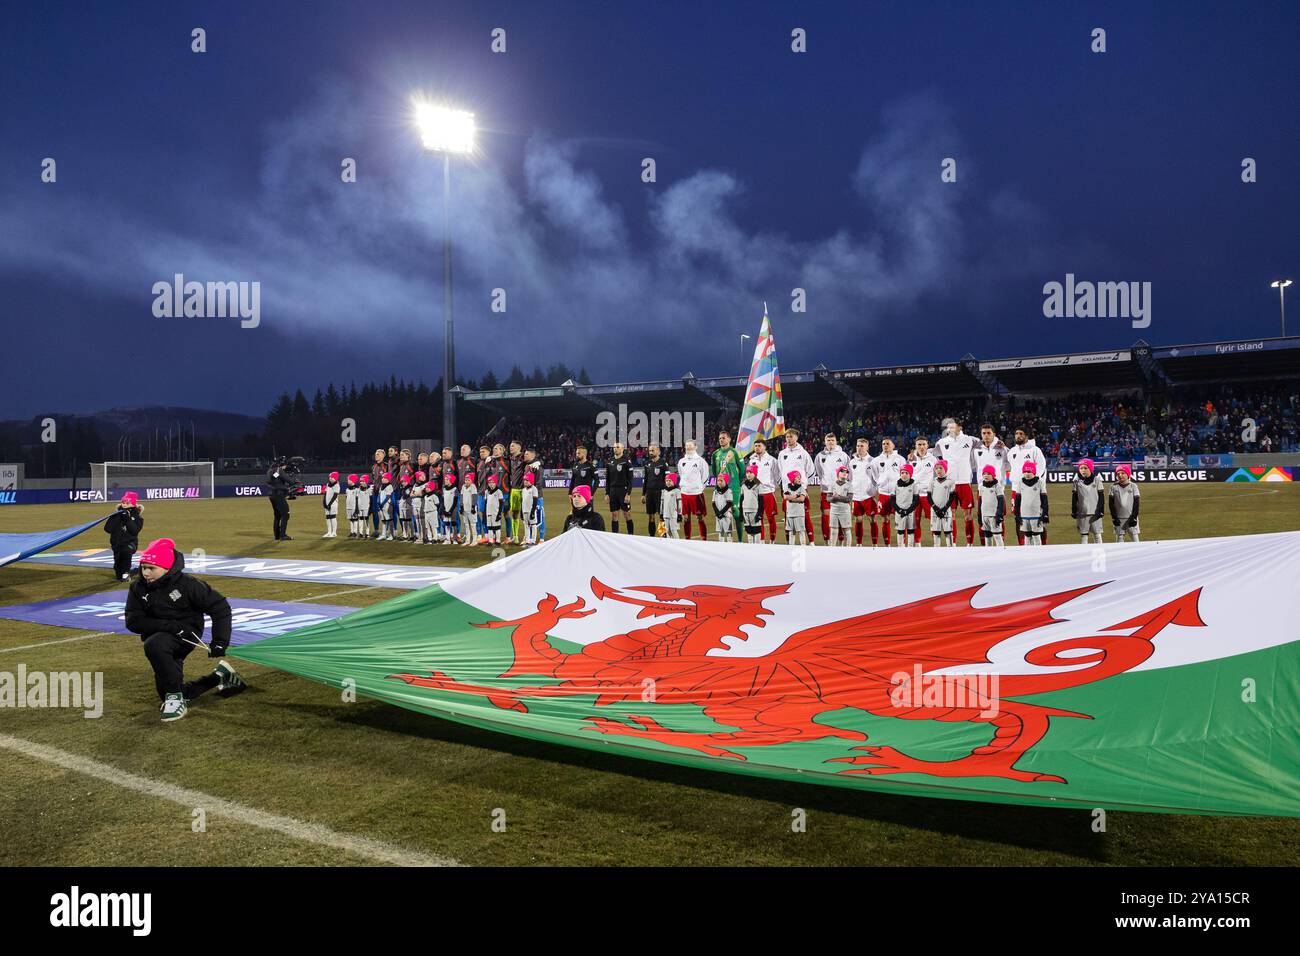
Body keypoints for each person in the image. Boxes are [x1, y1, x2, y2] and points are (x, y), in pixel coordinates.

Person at [124, 538, 245, 722]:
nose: (146, 573)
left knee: (155, 646)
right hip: (163, 632)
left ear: (166, 567)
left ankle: (175, 697)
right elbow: (133, 621)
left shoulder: (188, 585)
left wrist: (220, 641)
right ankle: (220, 677)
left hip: (187, 634)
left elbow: (220, 607)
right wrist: (169, 626)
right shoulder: (137, 587)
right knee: (167, 691)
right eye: (143, 567)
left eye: (151, 568)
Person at [935, 418, 977, 546]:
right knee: (950, 514)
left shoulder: (970, 440)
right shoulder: (942, 442)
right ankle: (952, 543)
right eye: (948, 428)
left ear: (960, 428)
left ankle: (969, 543)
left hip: (964, 481)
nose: (950, 430)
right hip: (950, 483)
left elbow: (987, 444)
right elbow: (932, 453)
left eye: (952, 427)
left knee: (968, 515)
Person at [1007, 427, 1049, 545]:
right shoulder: (1012, 452)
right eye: (1016, 433)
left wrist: (1034, 484)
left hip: (1033, 490)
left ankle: (1043, 545)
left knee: (1039, 519)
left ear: (1026, 436)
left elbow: (1041, 468)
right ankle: (1022, 545)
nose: (1018, 436)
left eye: (1021, 433)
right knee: (1018, 517)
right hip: (1016, 489)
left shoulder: (1035, 450)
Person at [778, 430, 816, 543]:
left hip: (800, 489)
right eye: (787, 437)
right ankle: (789, 542)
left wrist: (803, 485)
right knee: (788, 515)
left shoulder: (803, 453)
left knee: (805, 515)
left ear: (796, 437)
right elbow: (781, 471)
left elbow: (811, 471)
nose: (788, 438)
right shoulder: (782, 454)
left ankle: (812, 542)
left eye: (791, 436)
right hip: (787, 489)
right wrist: (785, 485)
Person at [814, 432, 850, 544]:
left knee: (839, 515)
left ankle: (841, 540)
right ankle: (827, 540)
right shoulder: (820, 455)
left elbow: (848, 472)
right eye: (828, 440)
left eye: (832, 440)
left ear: (836, 442)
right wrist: (826, 483)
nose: (830, 442)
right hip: (826, 490)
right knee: (825, 514)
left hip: (840, 491)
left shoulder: (843, 455)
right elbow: (819, 472)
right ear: (825, 442)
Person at [872, 437, 906, 547]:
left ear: (893, 446)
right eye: (883, 444)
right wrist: (881, 484)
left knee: (900, 519)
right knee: (885, 518)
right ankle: (887, 545)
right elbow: (875, 477)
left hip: (897, 494)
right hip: (883, 494)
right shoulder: (876, 460)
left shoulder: (900, 459)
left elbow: (904, 475)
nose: (885, 445)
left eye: (887, 443)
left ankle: (902, 544)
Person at [104, 492, 144, 580]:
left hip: (130, 543)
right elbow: (107, 529)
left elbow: (134, 531)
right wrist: (117, 517)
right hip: (116, 544)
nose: (125, 504)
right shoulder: (116, 515)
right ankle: (134, 571)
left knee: (125, 551)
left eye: (127, 502)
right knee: (118, 572)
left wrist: (127, 519)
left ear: (133, 503)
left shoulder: (138, 518)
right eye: (123, 502)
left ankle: (126, 573)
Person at [747, 438, 780, 542]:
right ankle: (761, 541)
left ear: (765, 447)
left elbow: (777, 476)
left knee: (771, 518)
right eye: (755, 446)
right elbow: (750, 476)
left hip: (768, 493)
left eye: (759, 445)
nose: (757, 448)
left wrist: (770, 486)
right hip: (756, 493)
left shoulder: (772, 460)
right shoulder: (752, 460)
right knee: (758, 518)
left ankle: (772, 540)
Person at [677, 439, 711, 540]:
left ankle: (703, 539)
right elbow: (681, 474)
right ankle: (687, 539)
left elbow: (705, 477)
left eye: (691, 446)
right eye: (687, 446)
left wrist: (699, 489)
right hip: (684, 493)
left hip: (696, 494)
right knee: (686, 518)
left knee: (699, 517)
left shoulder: (701, 461)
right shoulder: (681, 461)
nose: (688, 448)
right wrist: (684, 486)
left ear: (695, 447)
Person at [848, 438, 878, 546]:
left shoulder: (873, 461)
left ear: (867, 447)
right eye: (858, 446)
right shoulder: (851, 462)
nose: (859, 448)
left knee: (872, 520)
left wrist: (874, 492)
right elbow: (850, 479)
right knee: (858, 520)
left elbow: (877, 478)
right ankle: (859, 544)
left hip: (868, 496)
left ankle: (875, 544)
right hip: (856, 496)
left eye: (862, 446)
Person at [909, 437, 938, 546]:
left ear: (927, 446)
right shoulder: (911, 459)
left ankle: (936, 543)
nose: (921, 447)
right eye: (919, 445)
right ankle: (917, 544)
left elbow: (937, 475)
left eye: (923, 444)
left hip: (928, 495)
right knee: (915, 521)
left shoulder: (933, 459)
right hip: (915, 495)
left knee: (933, 520)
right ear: (915, 446)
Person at [711, 431, 745, 526]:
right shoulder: (715, 454)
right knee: (721, 512)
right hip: (720, 488)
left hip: (733, 487)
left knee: (735, 511)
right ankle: (725, 539)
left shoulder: (735, 452)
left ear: (729, 439)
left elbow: (742, 471)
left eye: (723, 438)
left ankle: (740, 540)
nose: (721, 440)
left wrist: (736, 482)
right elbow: (714, 472)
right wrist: (721, 482)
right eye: (720, 438)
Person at [1013, 461, 1049, 546]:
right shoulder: (1020, 482)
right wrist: (1017, 514)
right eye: (1025, 472)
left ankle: (1038, 554)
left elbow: (1044, 500)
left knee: (1036, 536)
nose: (1027, 474)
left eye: (1029, 472)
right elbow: (1017, 500)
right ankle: (1027, 555)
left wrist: (1045, 514)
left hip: (1036, 514)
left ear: (1034, 472)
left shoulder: (1040, 482)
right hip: (1024, 515)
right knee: (1027, 535)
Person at [1071, 458, 1106, 544]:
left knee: (1097, 535)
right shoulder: (1076, 482)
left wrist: (1100, 510)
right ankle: (1084, 554)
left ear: (1090, 468)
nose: (1083, 470)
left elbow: (1101, 497)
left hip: (1095, 513)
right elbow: (1074, 497)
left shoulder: (1097, 480)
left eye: (1085, 468)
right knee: (1083, 536)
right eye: (1081, 468)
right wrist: (1074, 510)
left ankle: (1099, 554)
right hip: (1082, 513)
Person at [605, 442, 635, 534]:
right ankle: (615, 536)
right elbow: (608, 479)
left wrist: (628, 494)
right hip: (613, 491)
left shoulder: (627, 461)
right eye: (614, 447)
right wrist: (607, 493)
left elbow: (630, 479)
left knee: (627, 514)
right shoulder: (609, 461)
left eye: (617, 447)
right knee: (614, 515)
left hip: (623, 491)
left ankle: (631, 536)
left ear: (622, 449)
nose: (615, 449)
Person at [1109, 464, 1141, 542]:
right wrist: (1114, 517)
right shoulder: (1113, 487)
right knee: (1119, 539)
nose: (1120, 475)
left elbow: (1136, 503)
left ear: (1128, 474)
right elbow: (1111, 504)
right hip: (1119, 518)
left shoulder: (1133, 486)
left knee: (1135, 538)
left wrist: (1134, 517)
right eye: (1118, 474)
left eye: (1123, 473)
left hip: (1131, 517)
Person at [642, 443, 669, 537]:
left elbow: (667, 479)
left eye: (653, 450)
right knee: (650, 516)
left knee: (661, 515)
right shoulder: (647, 464)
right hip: (649, 493)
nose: (651, 452)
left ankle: (662, 535)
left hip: (660, 493)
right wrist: (643, 494)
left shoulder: (663, 463)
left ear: (658, 451)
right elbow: (646, 479)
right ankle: (652, 536)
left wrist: (666, 493)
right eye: (649, 450)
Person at [977, 464, 1006, 548]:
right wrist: (979, 516)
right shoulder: (981, 487)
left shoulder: (997, 486)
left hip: (994, 516)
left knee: (997, 536)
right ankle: (988, 555)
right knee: (987, 537)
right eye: (984, 473)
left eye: (988, 474)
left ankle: (1001, 553)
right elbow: (980, 502)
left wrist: (999, 514)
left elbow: (1001, 501)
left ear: (993, 475)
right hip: (984, 516)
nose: (986, 475)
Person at [267, 457, 295, 541]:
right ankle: (283, 535)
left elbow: (271, 480)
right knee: (285, 514)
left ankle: (277, 536)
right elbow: (290, 481)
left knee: (277, 515)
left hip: (272, 495)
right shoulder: (279, 470)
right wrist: (292, 477)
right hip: (278, 495)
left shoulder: (270, 471)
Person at [891, 462, 919, 548]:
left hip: (910, 512)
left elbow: (916, 500)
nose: (904, 475)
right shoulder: (896, 484)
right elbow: (892, 500)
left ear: (910, 474)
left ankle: (910, 547)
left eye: (906, 473)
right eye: (902, 473)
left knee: (911, 530)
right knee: (900, 530)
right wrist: (899, 510)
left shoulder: (914, 485)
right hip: (899, 512)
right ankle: (900, 547)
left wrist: (908, 510)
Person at [930, 459, 956, 547]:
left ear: (945, 469)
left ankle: (951, 549)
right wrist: (936, 508)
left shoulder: (950, 481)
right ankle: (936, 551)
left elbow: (952, 497)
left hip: (946, 511)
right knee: (936, 532)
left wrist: (944, 508)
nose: (938, 470)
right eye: (936, 468)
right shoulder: (932, 481)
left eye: (941, 468)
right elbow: (929, 497)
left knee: (948, 532)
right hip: (934, 511)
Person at [827, 465, 854, 546]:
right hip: (834, 510)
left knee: (847, 530)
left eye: (846, 472)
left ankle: (847, 549)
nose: (845, 473)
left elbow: (849, 499)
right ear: (838, 473)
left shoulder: (849, 485)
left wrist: (838, 497)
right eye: (843, 472)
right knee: (834, 530)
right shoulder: (832, 484)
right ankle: (832, 548)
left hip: (845, 511)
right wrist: (834, 498)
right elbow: (828, 499)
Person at [783, 470, 809, 546]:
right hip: (790, 513)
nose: (799, 479)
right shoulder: (787, 487)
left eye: (800, 477)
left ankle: (803, 546)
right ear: (792, 479)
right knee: (791, 532)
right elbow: (785, 497)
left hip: (799, 513)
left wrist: (791, 498)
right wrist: (796, 496)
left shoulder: (802, 488)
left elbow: (802, 499)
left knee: (801, 531)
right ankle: (791, 547)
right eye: (797, 477)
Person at [507, 441, 527, 544]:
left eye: (512, 446)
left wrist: (537, 461)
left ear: (519, 448)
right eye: (510, 446)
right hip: (513, 490)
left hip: (523, 490)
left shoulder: (523, 457)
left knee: (525, 515)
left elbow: (533, 459)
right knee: (514, 514)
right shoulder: (510, 459)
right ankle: (515, 537)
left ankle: (526, 536)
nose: (510, 448)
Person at [740, 465, 763, 543]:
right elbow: (741, 500)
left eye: (751, 472)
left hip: (755, 511)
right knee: (748, 531)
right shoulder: (743, 485)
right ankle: (750, 548)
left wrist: (760, 513)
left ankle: (757, 548)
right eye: (747, 472)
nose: (748, 474)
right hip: (745, 511)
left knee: (756, 530)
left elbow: (761, 501)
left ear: (755, 473)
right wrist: (741, 512)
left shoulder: (759, 484)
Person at [712, 472, 736, 542]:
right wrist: (717, 513)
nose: (719, 482)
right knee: (720, 532)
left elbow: (729, 504)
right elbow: (713, 503)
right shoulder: (715, 492)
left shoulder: (728, 491)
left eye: (721, 481)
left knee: (729, 532)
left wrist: (721, 513)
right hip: (718, 515)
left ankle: (730, 546)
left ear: (726, 481)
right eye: (718, 481)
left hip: (727, 515)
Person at [520, 471, 541, 546]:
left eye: (527, 480)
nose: (525, 482)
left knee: (533, 525)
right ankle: (527, 540)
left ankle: (533, 540)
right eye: (524, 480)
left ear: (531, 481)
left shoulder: (534, 489)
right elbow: (522, 501)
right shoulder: (523, 490)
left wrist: (533, 511)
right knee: (526, 525)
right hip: (524, 511)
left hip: (531, 510)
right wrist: (521, 512)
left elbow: (535, 501)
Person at [439, 471, 460, 544]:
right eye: (445, 480)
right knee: (447, 523)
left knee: (453, 523)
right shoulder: (444, 489)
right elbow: (442, 500)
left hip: (452, 510)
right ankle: (447, 539)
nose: (445, 481)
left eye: (447, 479)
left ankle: (454, 538)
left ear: (451, 480)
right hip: (446, 509)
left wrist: (451, 510)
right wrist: (444, 509)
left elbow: (455, 501)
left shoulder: (454, 489)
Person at [484, 474, 505, 545]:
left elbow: (501, 503)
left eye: (492, 482)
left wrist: (499, 513)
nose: (491, 484)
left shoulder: (499, 491)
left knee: (496, 527)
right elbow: (486, 503)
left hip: (495, 512)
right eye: (489, 482)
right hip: (488, 512)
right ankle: (490, 540)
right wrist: (484, 513)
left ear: (495, 483)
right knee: (489, 527)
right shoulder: (486, 492)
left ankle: (498, 540)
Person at [460, 470, 479, 546]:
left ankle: (474, 540)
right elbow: (461, 497)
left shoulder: (473, 487)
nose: (467, 481)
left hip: (471, 509)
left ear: (471, 480)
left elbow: (474, 497)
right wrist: (461, 506)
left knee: (473, 524)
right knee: (466, 524)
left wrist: (473, 507)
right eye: (466, 480)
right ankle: (468, 540)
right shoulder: (463, 487)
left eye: (468, 480)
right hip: (465, 509)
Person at [660, 472, 682, 538]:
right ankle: (669, 545)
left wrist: (679, 514)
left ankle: (678, 544)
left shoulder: (677, 491)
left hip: (673, 515)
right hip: (665, 514)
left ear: (674, 481)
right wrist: (661, 514)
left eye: (670, 481)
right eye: (666, 481)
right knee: (666, 531)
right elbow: (662, 504)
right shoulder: (664, 491)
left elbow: (679, 504)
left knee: (673, 530)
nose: (668, 482)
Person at [377, 472, 396, 541]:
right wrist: (378, 502)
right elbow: (379, 495)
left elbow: (388, 496)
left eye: (384, 478)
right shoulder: (381, 486)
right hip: (381, 506)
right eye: (382, 478)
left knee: (389, 519)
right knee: (383, 520)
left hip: (387, 505)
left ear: (388, 479)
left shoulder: (389, 486)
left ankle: (391, 534)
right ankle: (384, 534)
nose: (383, 479)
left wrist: (382, 503)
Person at [322, 471, 340, 538]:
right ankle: (329, 532)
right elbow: (325, 494)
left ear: (335, 478)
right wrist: (324, 502)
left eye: (332, 477)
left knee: (333, 517)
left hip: (333, 504)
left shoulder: (337, 485)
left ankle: (334, 532)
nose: (330, 478)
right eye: (330, 477)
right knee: (327, 517)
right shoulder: (328, 484)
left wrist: (329, 504)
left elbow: (335, 496)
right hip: (327, 503)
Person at [355, 475, 371, 539]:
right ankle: (361, 533)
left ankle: (367, 533)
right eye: (360, 481)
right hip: (360, 507)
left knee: (366, 520)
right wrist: (356, 508)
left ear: (366, 481)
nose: (361, 482)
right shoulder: (358, 489)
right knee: (361, 520)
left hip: (366, 507)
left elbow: (371, 499)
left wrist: (371, 508)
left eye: (362, 481)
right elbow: (356, 499)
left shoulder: (369, 489)